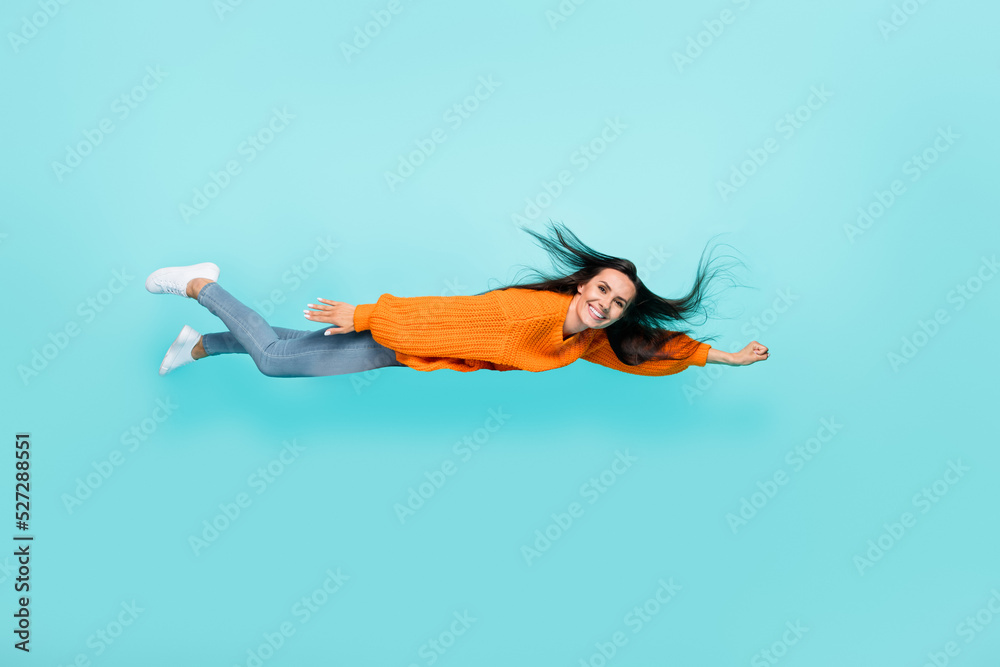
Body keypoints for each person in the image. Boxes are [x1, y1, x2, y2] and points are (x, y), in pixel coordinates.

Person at [145, 221, 769, 378]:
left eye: (616, 303)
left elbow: (652, 350)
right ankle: (202, 284)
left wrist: (725, 358)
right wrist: (368, 317)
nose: (606, 305)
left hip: (404, 345)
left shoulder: (582, 340)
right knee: (277, 360)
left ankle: (199, 345)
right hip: (400, 337)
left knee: (283, 344)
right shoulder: (532, 314)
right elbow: (451, 318)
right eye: (602, 289)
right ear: (583, 285)